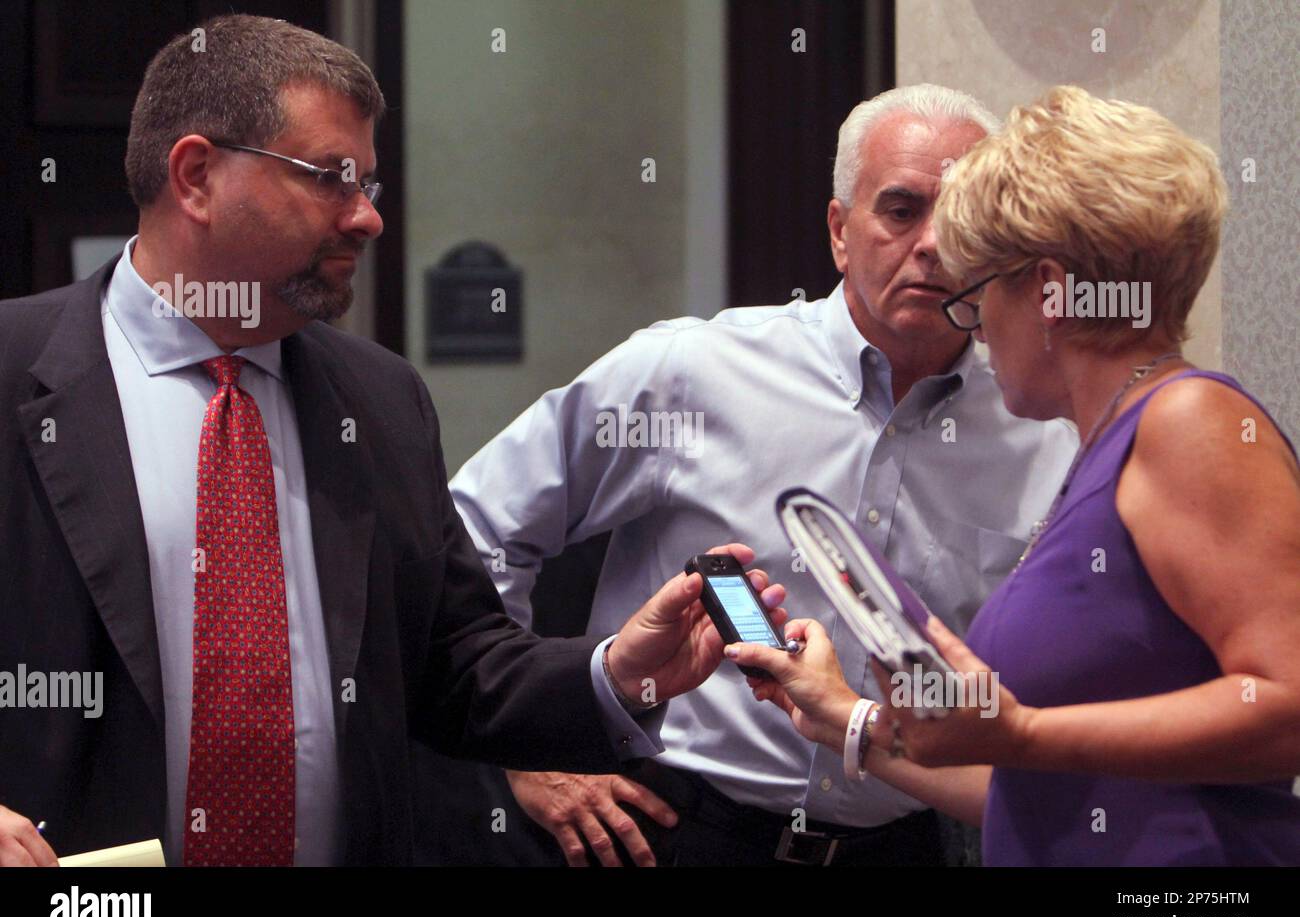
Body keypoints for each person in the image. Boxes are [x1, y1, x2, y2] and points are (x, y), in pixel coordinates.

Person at [0, 15, 787, 868]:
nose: (367, 219)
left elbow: (456, 667)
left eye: (367, 185)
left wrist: (615, 671)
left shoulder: (378, 400)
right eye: (330, 180)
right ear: (195, 176)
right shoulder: (18, 377)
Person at [449, 84, 1077, 866]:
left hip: (906, 843)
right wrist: (526, 740)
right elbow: (475, 530)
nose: (933, 245)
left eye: (962, 220)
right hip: (674, 829)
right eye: (902, 209)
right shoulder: (689, 371)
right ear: (840, 232)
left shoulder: (1042, 430)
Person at [728, 85, 1300, 865]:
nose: (977, 325)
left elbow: (1289, 706)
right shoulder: (1103, 449)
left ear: (1049, 291)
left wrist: (1024, 729)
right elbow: (1033, 785)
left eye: (979, 291)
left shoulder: (1187, 424)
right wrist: (848, 720)